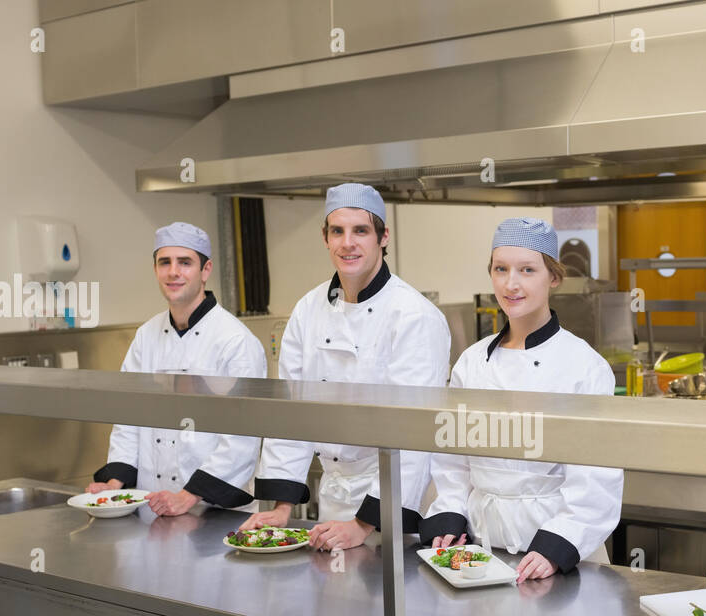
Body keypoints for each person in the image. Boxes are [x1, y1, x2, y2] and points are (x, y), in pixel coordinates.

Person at [240, 184, 450, 551]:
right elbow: (292, 411)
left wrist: (364, 524)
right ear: (325, 238)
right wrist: (282, 507)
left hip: (395, 507)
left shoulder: (414, 316)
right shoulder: (308, 309)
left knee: (385, 599)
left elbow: (412, 431)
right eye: (337, 231)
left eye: (361, 231)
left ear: (384, 237)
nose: (347, 243)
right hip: (335, 501)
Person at [419, 218, 623, 583]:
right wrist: (449, 513)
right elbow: (452, 460)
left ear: (553, 278)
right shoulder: (472, 361)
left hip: (562, 553)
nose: (511, 284)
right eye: (501, 269)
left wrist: (556, 546)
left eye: (527, 270)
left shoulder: (585, 367)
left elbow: (597, 479)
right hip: (483, 548)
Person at [86, 222, 266, 516]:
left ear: (205, 270)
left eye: (185, 263)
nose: (173, 272)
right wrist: (114, 482)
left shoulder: (235, 341)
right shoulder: (146, 336)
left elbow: (242, 437)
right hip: (151, 506)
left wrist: (188, 496)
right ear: (155, 269)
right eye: (164, 262)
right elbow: (128, 413)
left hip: (214, 512)